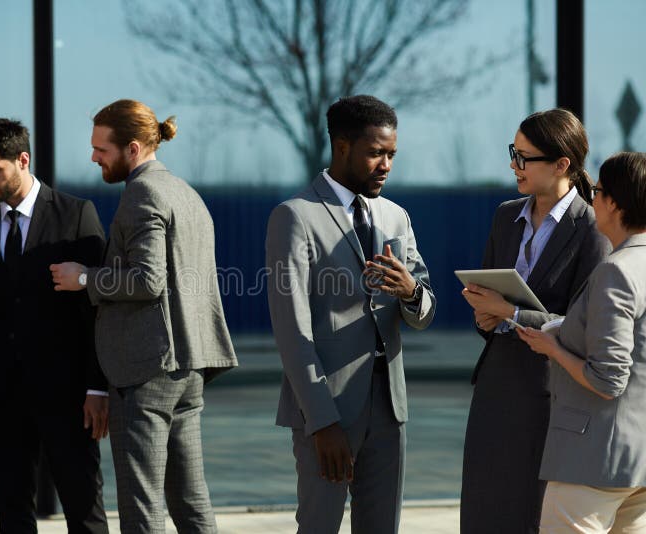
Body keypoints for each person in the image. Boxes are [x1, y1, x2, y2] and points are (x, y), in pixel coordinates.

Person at [50, 99, 238, 534]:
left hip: (146, 370)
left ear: (132, 149)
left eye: (102, 149)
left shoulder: (143, 194)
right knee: (190, 500)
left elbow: (147, 281)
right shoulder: (184, 192)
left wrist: (84, 279)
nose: (93, 156)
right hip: (186, 367)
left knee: (141, 505)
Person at [265, 95, 436, 534]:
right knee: (320, 526)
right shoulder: (294, 217)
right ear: (342, 146)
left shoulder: (397, 216)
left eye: (392, 154)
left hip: (389, 407)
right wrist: (321, 421)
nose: (386, 165)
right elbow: (292, 330)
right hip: (327, 410)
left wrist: (411, 291)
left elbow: (424, 310)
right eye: (376, 152)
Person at [460, 108, 611, 533]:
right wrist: (485, 317)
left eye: (525, 157)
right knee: (482, 510)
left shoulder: (592, 229)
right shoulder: (505, 215)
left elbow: (584, 326)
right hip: (496, 386)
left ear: (562, 164)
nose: (514, 165)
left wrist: (509, 313)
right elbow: (489, 304)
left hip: (549, 393)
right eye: (514, 153)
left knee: (530, 513)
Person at [0, 118, 109, 534]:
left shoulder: (77, 214)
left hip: (67, 398)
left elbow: (97, 310)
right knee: (12, 516)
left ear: (22, 160)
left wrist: (97, 388)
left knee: (85, 513)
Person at [517, 152, 646, 532]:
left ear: (614, 203)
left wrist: (552, 348)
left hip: (591, 460)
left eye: (597, 191)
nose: (592, 200)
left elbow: (608, 378)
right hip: (637, 461)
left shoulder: (616, 270)